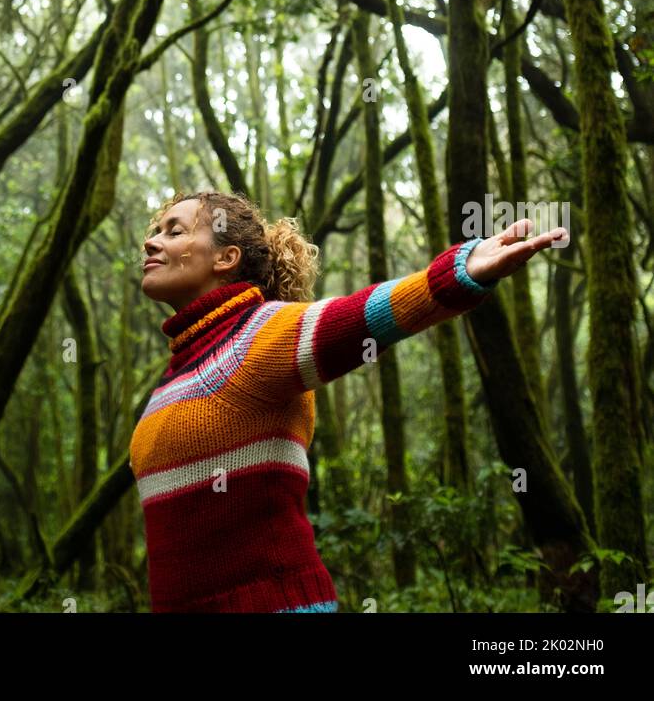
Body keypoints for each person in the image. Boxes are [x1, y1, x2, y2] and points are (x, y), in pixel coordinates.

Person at [130, 189, 568, 614]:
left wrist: (457, 273)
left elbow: (357, 318)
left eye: (174, 231)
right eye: (157, 230)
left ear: (226, 258)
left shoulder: (254, 338)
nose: (152, 241)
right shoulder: (175, 374)